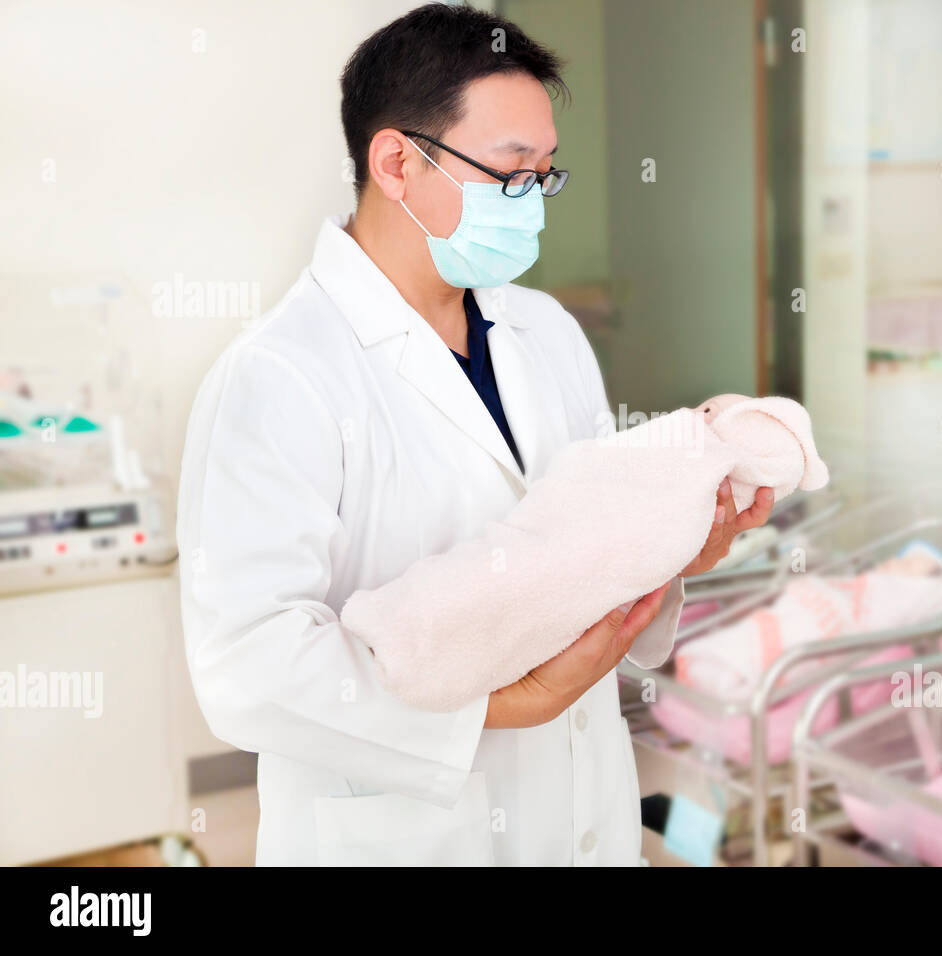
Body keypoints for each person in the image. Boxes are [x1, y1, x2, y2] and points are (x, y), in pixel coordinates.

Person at [176, 3, 772, 866]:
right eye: (509, 170)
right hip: (404, 834)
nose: (532, 200)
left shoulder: (545, 331)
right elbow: (246, 668)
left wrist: (677, 545)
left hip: (584, 808)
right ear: (395, 162)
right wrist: (502, 704)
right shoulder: (278, 375)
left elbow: (585, 541)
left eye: (546, 173)